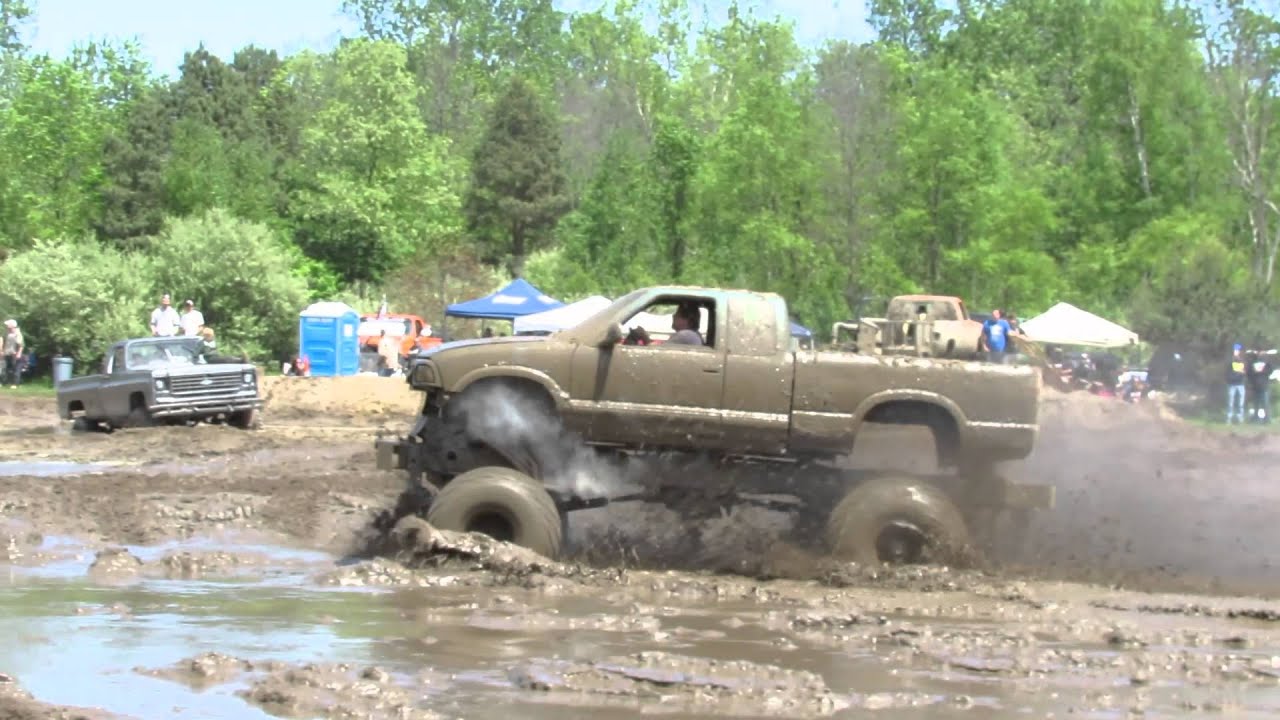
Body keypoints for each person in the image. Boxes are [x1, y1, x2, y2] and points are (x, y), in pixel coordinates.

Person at [1246, 349, 1274, 424]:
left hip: (1264, 387)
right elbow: (1248, 372)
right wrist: (1255, 373)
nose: (1260, 355)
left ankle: (1267, 420)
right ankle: (1255, 419)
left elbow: (1270, 370)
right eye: (1259, 353)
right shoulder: (1252, 362)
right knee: (1256, 405)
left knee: (1265, 404)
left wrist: (1262, 371)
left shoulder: (1267, 363)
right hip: (1255, 387)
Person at [1226, 343, 1247, 424]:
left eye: (1237, 350)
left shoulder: (1243, 360)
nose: (1236, 352)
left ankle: (1240, 419)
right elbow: (1227, 371)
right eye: (1235, 350)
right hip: (1232, 383)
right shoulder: (1230, 360)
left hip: (1241, 383)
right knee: (1230, 402)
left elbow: (1245, 371)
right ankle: (1229, 419)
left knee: (1240, 403)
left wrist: (1243, 372)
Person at [3, 319, 24, 388]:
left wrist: (18, 353)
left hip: (14, 354)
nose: (6, 326)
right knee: (7, 369)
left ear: (12, 326)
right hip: (7, 354)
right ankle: (8, 383)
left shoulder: (17, 333)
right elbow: (5, 343)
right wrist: (3, 351)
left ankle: (15, 384)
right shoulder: (7, 333)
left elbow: (21, 345)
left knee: (15, 369)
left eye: (8, 325)